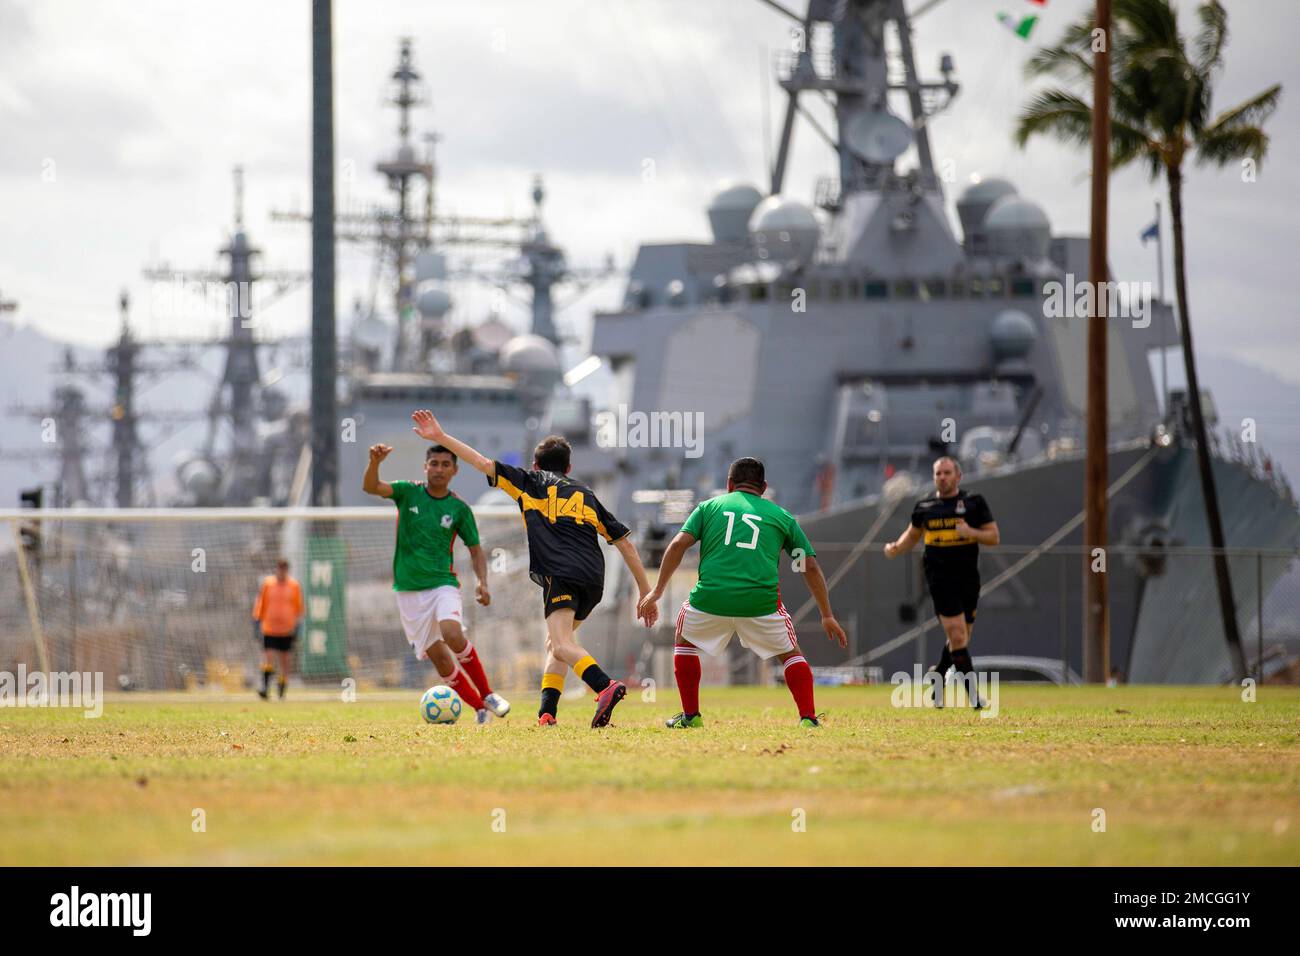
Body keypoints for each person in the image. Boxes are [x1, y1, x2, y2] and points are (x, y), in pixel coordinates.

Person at [410, 409, 657, 728]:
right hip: (594, 578)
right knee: (558, 644)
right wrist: (644, 590)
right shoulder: (586, 494)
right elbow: (625, 542)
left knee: (563, 644)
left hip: (560, 573)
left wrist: (440, 437)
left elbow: (480, 461)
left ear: (535, 466)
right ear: (569, 468)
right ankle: (547, 714)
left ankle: (604, 686)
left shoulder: (529, 482)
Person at [638, 457, 848, 728]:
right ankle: (807, 718)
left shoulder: (709, 507)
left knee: (684, 638)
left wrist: (657, 590)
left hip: (711, 599)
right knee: (790, 653)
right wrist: (826, 614)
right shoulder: (781, 517)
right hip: (760, 603)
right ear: (764, 487)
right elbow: (808, 566)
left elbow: (678, 545)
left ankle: (690, 716)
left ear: (729, 484)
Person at [362, 441, 510, 724]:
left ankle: (488, 694)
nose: (439, 469)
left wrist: (483, 582)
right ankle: (480, 709)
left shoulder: (459, 509)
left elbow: (476, 549)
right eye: (434, 464)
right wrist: (374, 462)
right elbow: (371, 487)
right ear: (425, 467)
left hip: (443, 584)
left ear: (454, 470)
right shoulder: (407, 492)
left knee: (453, 633)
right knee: (441, 660)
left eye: (445, 465)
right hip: (408, 591)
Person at [884, 456, 999, 708]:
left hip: (968, 579)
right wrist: (895, 547)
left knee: (962, 638)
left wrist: (971, 533)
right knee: (957, 635)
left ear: (958, 476)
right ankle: (974, 698)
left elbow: (993, 537)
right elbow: (912, 535)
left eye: (947, 473)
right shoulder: (925, 506)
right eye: (938, 473)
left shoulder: (973, 503)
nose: (942, 477)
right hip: (939, 578)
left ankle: (938, 674)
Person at [252, 558, 303, 700]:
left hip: (287, 629)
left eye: (284, 569)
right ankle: (265, 687)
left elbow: (298, 608)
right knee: (268, 658)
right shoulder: (268, 584)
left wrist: (298, 627)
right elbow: (261, 604)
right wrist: (257, 623)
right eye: (279, 568)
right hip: (270, 628)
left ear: (287, 570)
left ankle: (282, 688)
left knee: (285, 661)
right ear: (276, 569)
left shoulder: (294, 586)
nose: (281, 571)